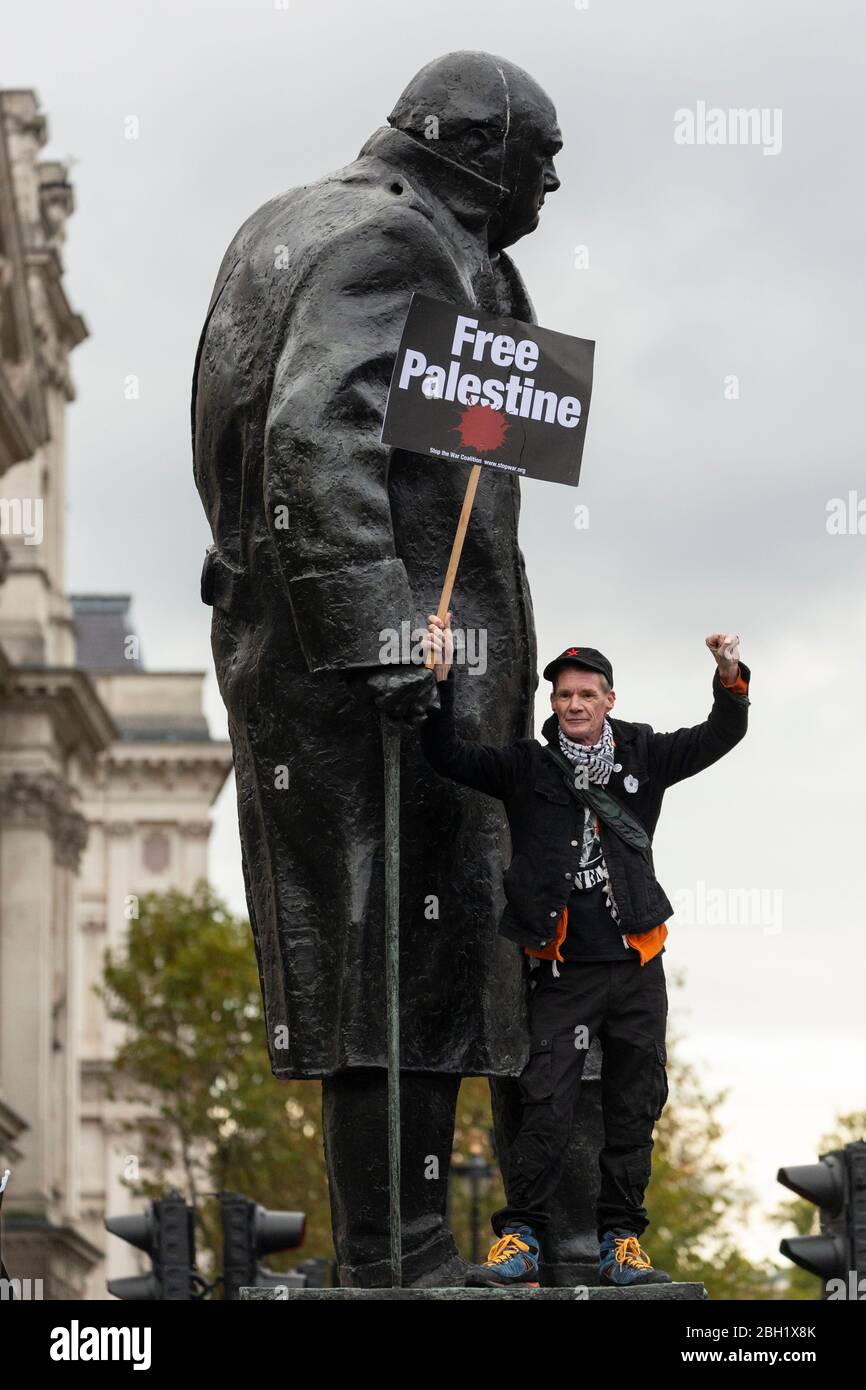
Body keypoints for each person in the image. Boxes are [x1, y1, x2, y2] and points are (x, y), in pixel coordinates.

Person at [192, 50, 565, 1286]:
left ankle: (390, 1247)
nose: (549, 187)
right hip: (394, 658)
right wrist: (385, 631)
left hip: (300, 646)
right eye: (539, 158)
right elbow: (312, 429)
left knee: (379, 944)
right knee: (406, 946)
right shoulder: (391, 243)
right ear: (473, 141)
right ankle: (397, 1253)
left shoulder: (293, 218)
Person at [420, 614, 750, 1286]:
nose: (573, 705)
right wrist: (442, 679)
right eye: (563, 696)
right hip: (563, 971)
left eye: (585, 694)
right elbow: (447, 756)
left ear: (609, 700)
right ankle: (522, 1240)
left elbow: (723, 734)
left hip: (637, 965)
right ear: (555, 705)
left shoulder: (645, 754)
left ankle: (622, 1241)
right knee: (546, 1103)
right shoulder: (525, 766)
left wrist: (727, 678)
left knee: (634, 1102)